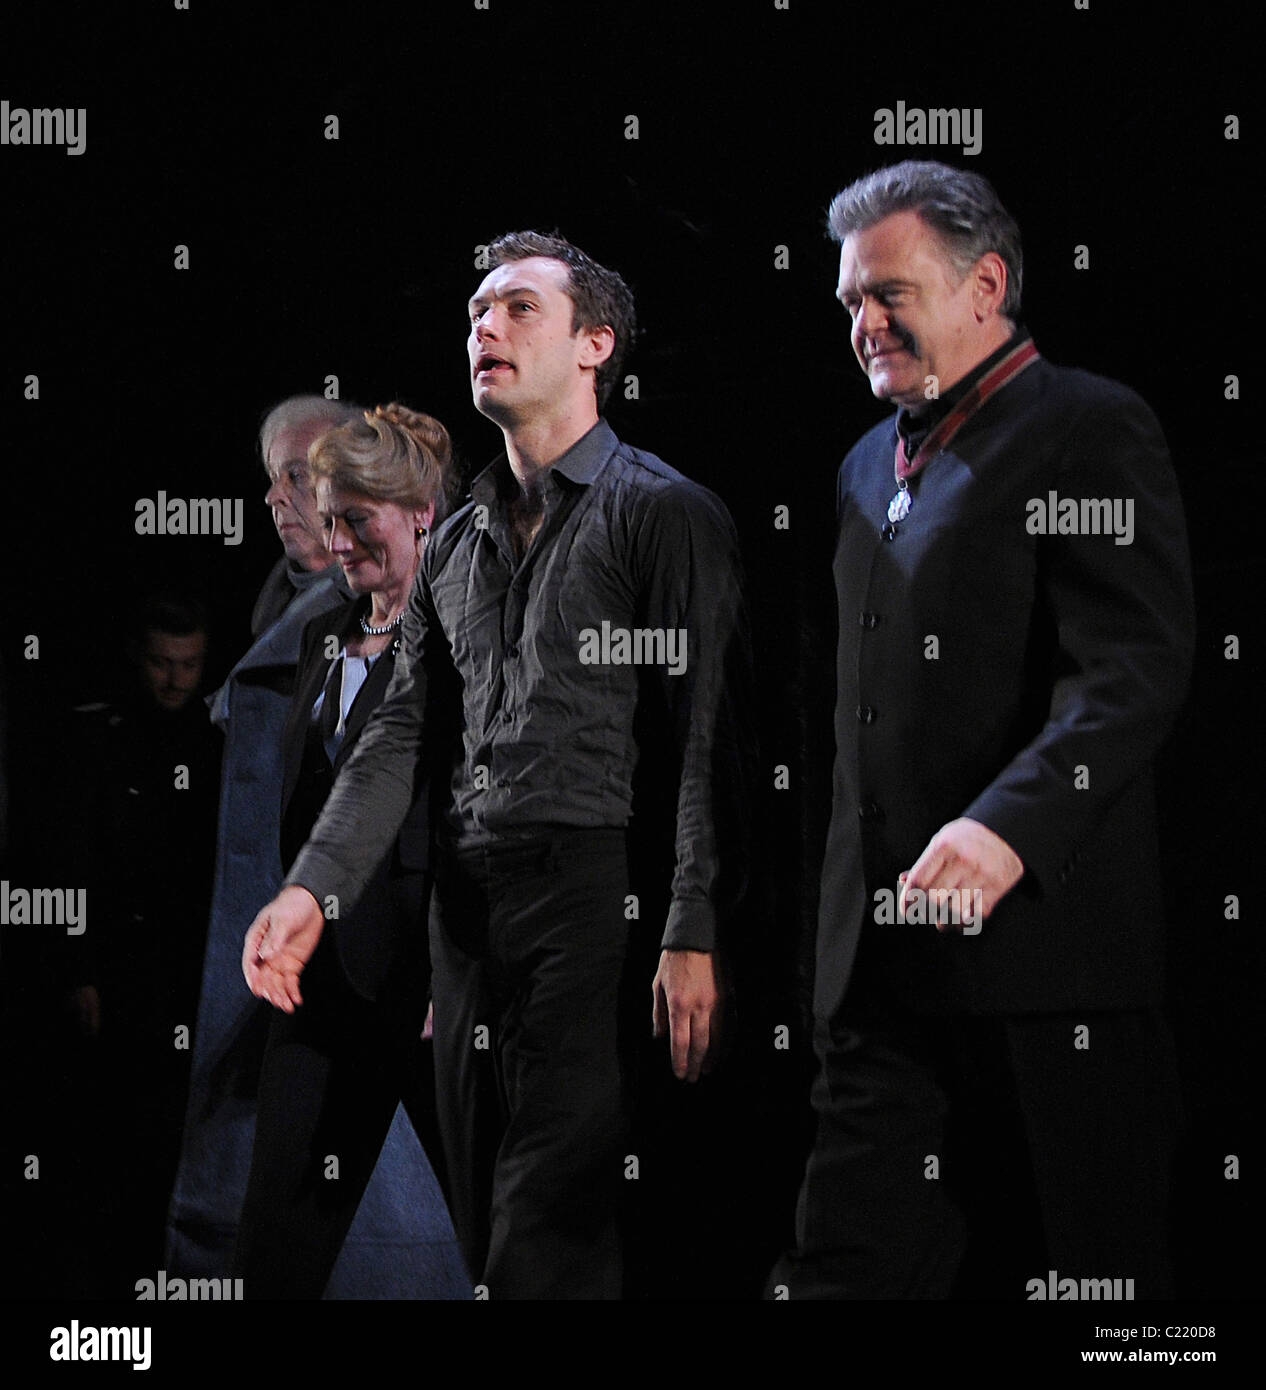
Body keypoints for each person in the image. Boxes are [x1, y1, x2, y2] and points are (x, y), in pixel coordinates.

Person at [243, 232, 754, 1299]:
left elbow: (709, 736)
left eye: (520, 307)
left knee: (547, 1224)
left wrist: (694, 923)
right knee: (486, 1225)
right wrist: (312, 887)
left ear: (595, 345)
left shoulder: (663, 512)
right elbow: (401, 735)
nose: (485, 326)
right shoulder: (459, 540)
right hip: (468, 913)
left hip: (591, 895)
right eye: (476, 310)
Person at [771, 161, 1195, 1299]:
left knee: (1085, 1277)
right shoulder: (867, 462)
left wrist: (1006, 829)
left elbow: (1132, 668)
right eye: (850, 302)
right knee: (844, 1269)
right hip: (882, 982)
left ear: (987, 283)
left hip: (1045, 982)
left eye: (888, 294)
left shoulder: (1089, 426)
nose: (863, 324)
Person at [167, 395, 463, 1297]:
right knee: (275, 1244)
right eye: (328, 521)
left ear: (423, 512)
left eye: (355, 520)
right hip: (320, 984)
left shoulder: (464, 640)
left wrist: (455, 970)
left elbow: (473, 821)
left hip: (429, 988)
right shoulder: (324, 637)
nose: (336, 543)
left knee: (493, 1230)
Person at [57, 593, 220, 1288]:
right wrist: (78, 967)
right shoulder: (100, 736)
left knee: (188, 1137)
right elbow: (71, 859)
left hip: (197, 968)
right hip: (124, 971)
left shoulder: (220, 735)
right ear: (137, 656)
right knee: (116, 1137)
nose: (175, 679)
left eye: (189, 664)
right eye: (161, 662)